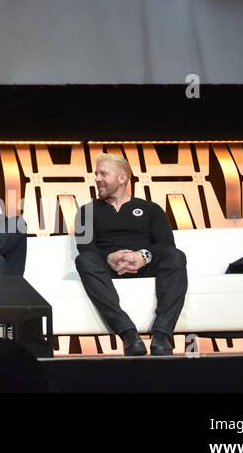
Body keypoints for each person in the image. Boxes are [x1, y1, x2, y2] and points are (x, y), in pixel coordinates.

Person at [73, 152, 187, 357]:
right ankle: (128, 334)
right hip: (107, 270)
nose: (97, 179)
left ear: (122, 178)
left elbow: (166, 245)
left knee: (176, 256)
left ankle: (161, 335)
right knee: (84, 260)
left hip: (145, 266)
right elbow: (85, 247)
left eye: (103, 174)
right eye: (96, 174)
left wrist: (142, 256)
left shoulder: (151, 209)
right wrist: (109, 258)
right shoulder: (85, 211)